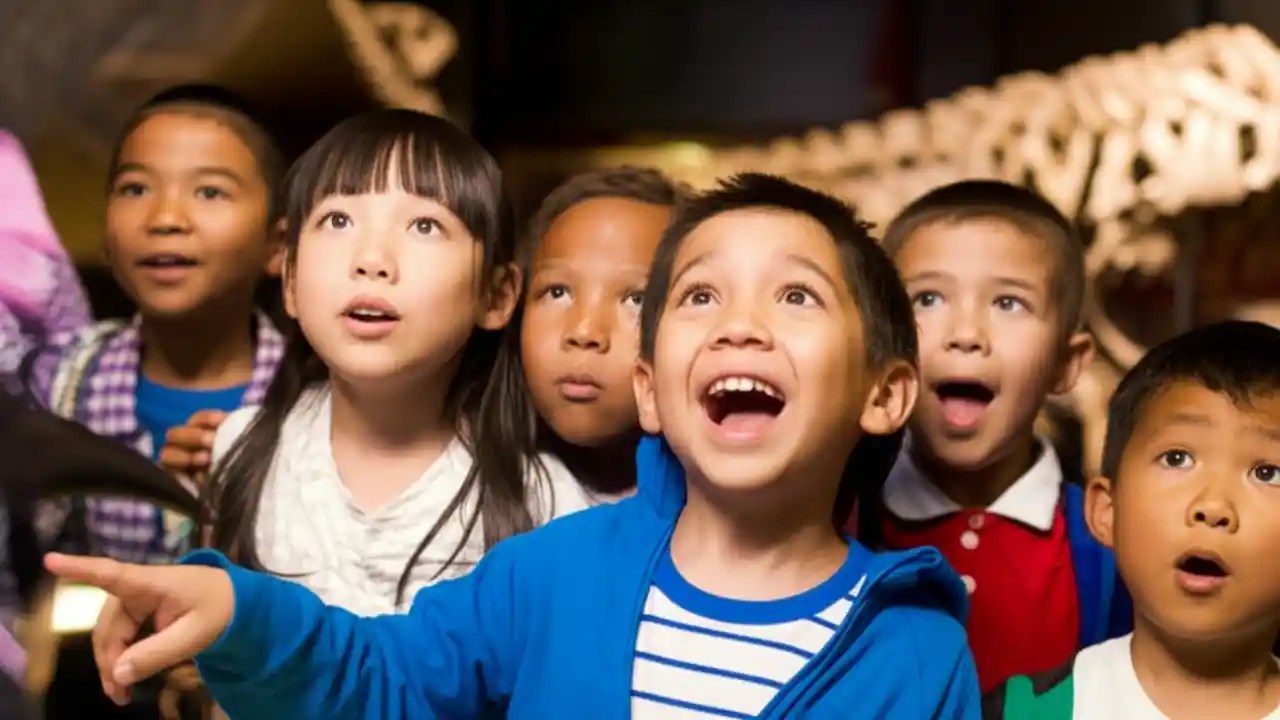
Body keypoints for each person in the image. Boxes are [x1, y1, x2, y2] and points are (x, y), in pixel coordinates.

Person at [47, 173, 980, 719]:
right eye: (699, 296)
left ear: (884, 393)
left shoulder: (918, 649)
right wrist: (239, 609)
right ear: (651, 391)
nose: (739, 325)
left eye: (796, 296)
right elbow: (382, 680)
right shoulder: (550, 571)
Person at [201, 108, 591, 616]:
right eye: (337, 220)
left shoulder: (540, 503)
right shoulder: (242, 453)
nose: (372, 259)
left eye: (425, 225)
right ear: (291, 279)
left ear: (496, 295)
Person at [864, 179, 1130, 692]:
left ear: (1066, 364)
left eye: (1008, 303)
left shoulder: (1111, 548)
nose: (966, 334)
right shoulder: (835, 517)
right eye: (928, 299)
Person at [27, 84, 287, 564]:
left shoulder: (318, 401)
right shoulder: (58, 383)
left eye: (210, 191)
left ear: (278, 246)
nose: (165, 217)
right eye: (136, 189)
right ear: (105, 234)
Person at [984, 320, 1280, 719]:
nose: (1213, 507)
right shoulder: (1026, 712)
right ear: (1107, 511)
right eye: (1177, 458)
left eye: (1267, 473)